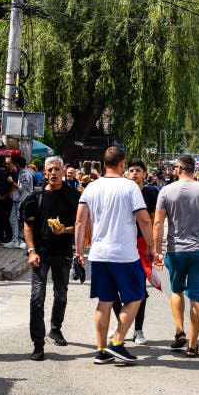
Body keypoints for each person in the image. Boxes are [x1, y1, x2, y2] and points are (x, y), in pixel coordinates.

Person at [74, 147, 155, 364]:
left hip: (99, 254)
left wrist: (78, 253)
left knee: (105, 300)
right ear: (122, 164)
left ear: (104, 163)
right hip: (124, 254)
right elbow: (144, 220)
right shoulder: (129, 187)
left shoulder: (91, 187)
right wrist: (152, 247)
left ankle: (101, 350)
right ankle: (117, 342)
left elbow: (80, 222)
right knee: (137, 295)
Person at [153, 154, 199, 358]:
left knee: (176, 290)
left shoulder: (166, 191)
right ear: (193, 169)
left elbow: (158, 224)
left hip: (176, 251)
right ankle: (193, 346)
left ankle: (180, 331)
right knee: (197, 298)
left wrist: (157, 251)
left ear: (178, 169)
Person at [21, 156, 80, 361]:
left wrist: (65, 230)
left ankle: (55, 328)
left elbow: (81, 226)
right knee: (37, 298)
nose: (53, 173)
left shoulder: (73, 196)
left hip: (62, 253)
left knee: (61, 294)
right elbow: (27, 225)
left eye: (56, 169)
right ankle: (38, 344)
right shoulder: (35, 197)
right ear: (44, 173)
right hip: (41, 254)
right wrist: (31, 251)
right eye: (49, 170)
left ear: (63, 171)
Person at [109, 158, 157, 345]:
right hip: (121, 243)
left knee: (140, 289)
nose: (134, 173)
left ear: (145, 174)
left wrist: (154, 246)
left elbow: (153, 220)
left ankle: (138, 329)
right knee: (112, 288)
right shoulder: (122, 190)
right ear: (126, 174)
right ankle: (120, 323)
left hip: (142, 243)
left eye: (138, 170)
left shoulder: (151, 193)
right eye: (131, 170)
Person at [5, 156, 33, 249]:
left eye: (13, 163)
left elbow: (22, 188)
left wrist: (12, 182)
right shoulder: (22, 173)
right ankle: (15, 240)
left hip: (23, 201)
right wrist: (14, 192)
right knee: (14, 219)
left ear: (16, 164)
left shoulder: (25, 174)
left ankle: (20, 240)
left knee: (20, 221)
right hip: (18, 200)